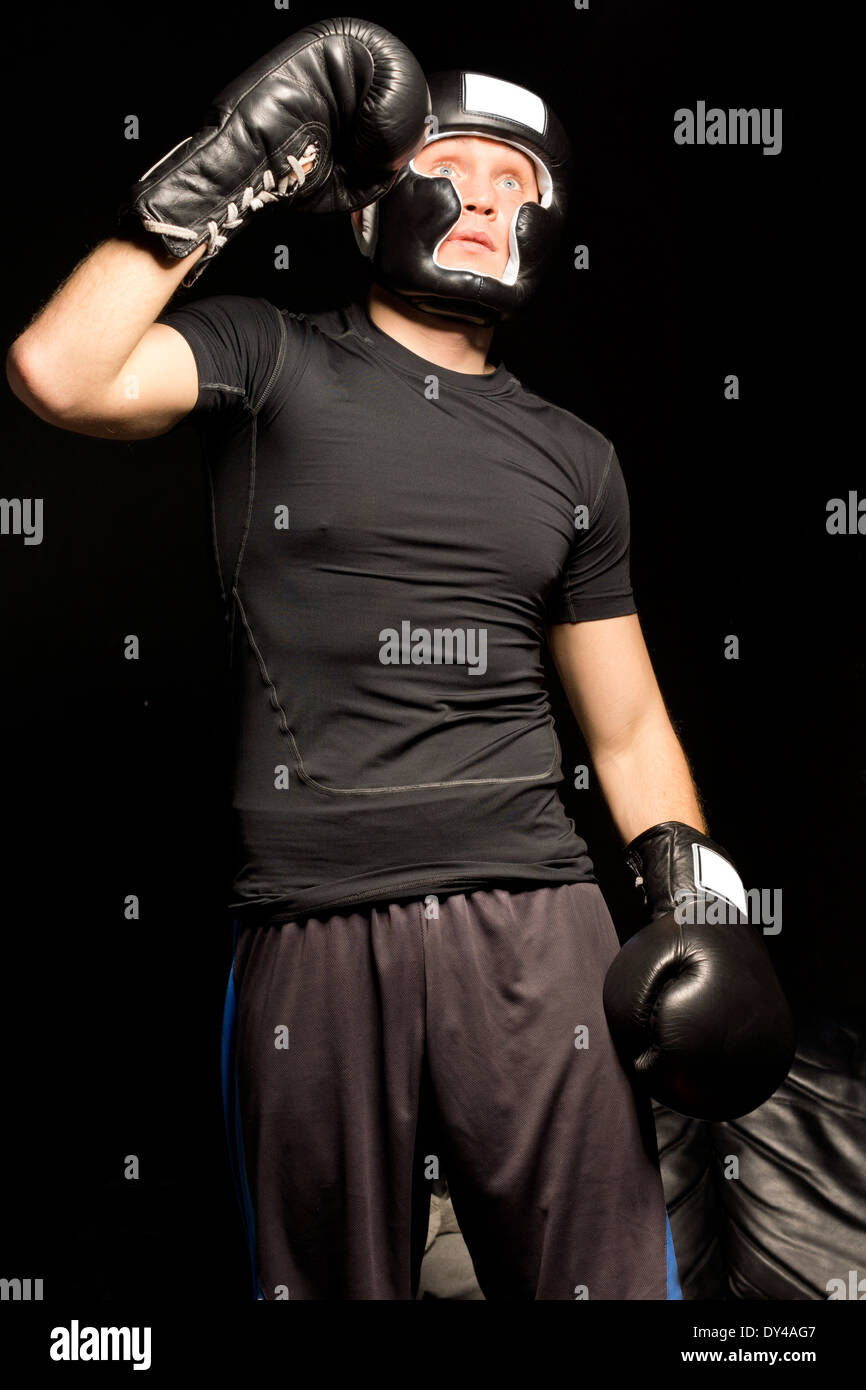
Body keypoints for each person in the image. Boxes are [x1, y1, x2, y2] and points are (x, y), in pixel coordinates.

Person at [6, 19, 793, 1301]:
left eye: (517, 183)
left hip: (535, 917)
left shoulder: (573, 455)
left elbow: (629, 730)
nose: (486, 196)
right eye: (454, 163)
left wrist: (702, 912)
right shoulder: (267, 354)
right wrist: (221, 170)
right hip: (309, 930)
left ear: (544, 231)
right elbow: (59, 371)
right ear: (369, 196)